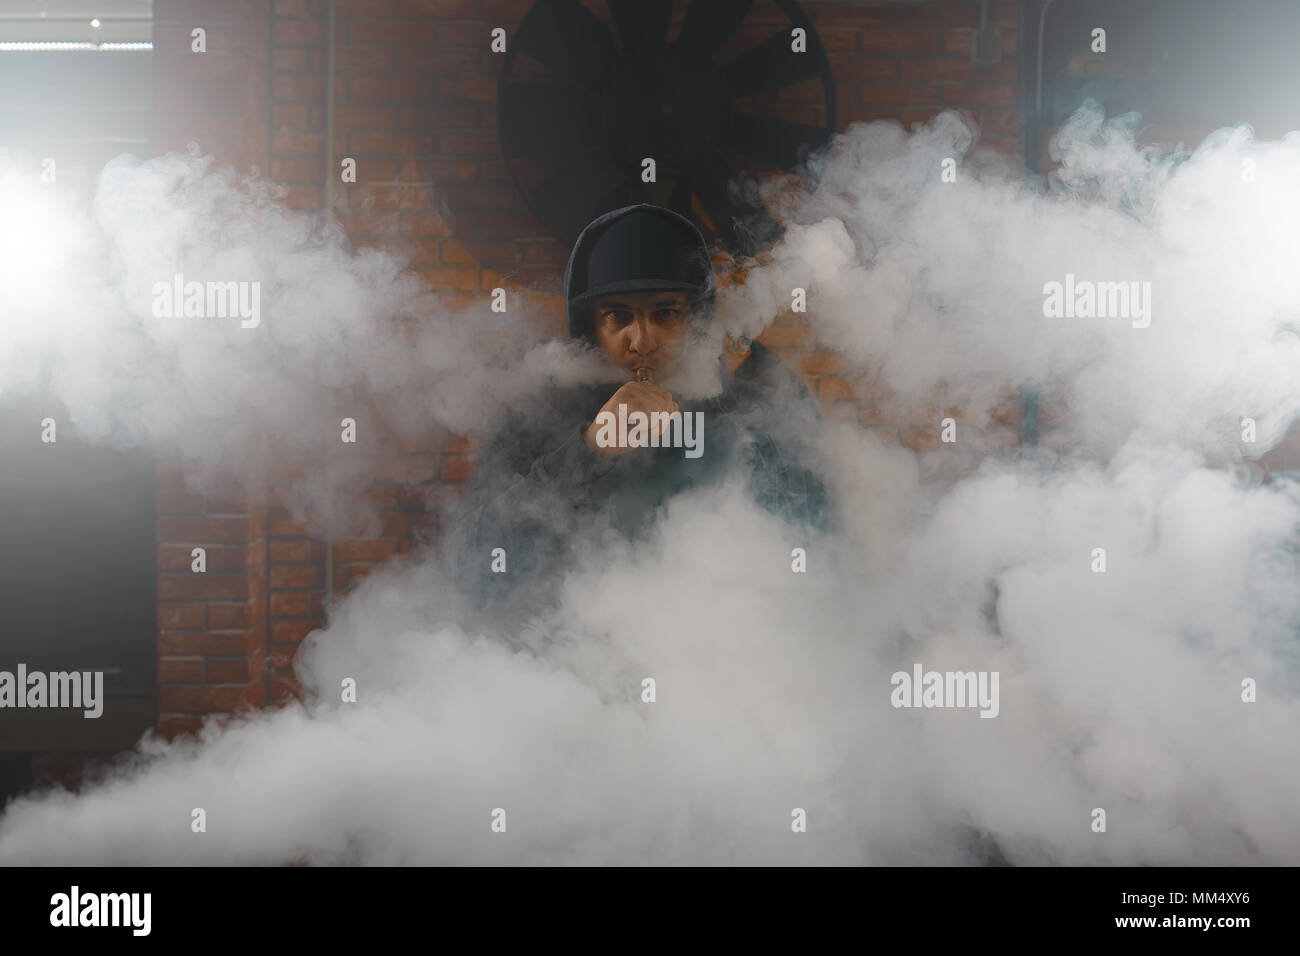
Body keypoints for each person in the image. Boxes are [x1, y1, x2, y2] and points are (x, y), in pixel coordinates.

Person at [444, 203, 829, 613]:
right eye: (618, 315)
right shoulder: (547, 407)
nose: (642, 341)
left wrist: (732, 409)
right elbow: (474, 569)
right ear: (590, 325)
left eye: (665, 313)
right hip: (572, 652)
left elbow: (817, 545)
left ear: (697, 317)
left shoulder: (756, 383)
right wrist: (589, 451)